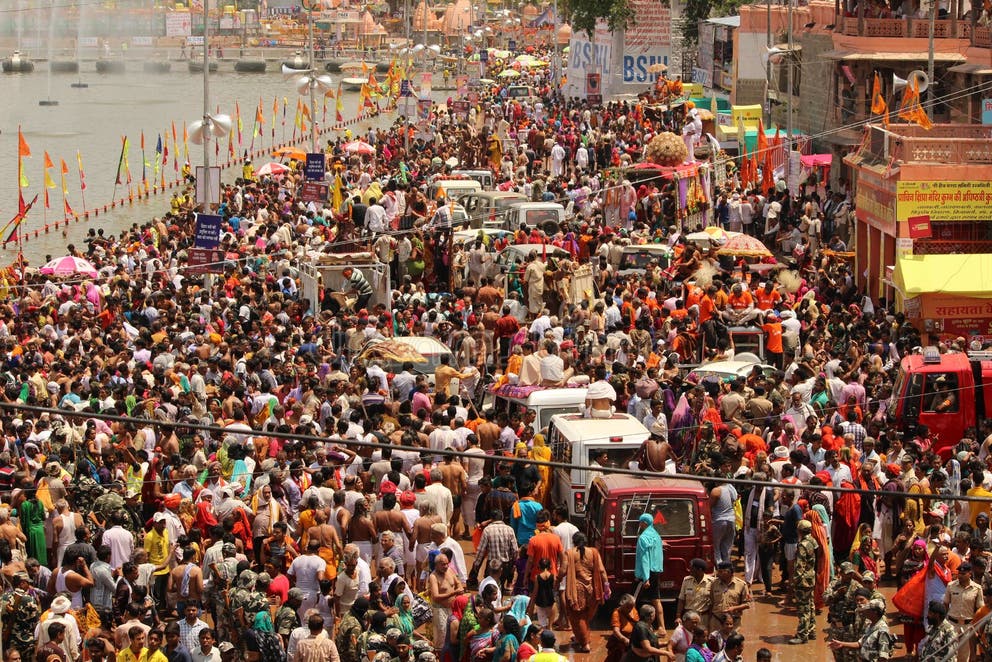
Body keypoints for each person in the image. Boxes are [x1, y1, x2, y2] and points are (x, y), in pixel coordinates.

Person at [562, 532, 609, 653]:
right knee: (586, 616)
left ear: (574, 542)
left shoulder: (570, 553)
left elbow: (562, 570)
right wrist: (607, 586)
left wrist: (556, 583)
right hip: (593, 589)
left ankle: (585, 643)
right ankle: (580, 638)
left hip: (576, 591)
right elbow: (602, 571)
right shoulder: (594, 552)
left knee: (578, 617)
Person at [828, 598, 893, 660]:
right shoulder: (871, 625)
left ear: (874, 612)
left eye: (867, 610)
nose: (864, 611)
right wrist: (841, 643)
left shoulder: (882, 631)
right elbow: (860, 643)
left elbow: (883, 658)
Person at [634, 513, 665, 631]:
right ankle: (662, 627)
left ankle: (635, 626)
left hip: (645, 574)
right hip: (656, 571)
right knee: (656, 599)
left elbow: (645, 558)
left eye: (640, 522)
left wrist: (646, 578)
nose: (639, 524)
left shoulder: (643, 537)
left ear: (644, 523)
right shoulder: (657, 536)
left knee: (633, 599)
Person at [790, 519, 818, 645]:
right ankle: (811, 630)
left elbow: (799, 565)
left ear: (800, 530)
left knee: (803, 609)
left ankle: (802, 635)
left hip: (803, 581)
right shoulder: (813, 541)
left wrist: (795, 581)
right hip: (811, 578)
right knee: (810, 605)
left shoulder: (803, 545)